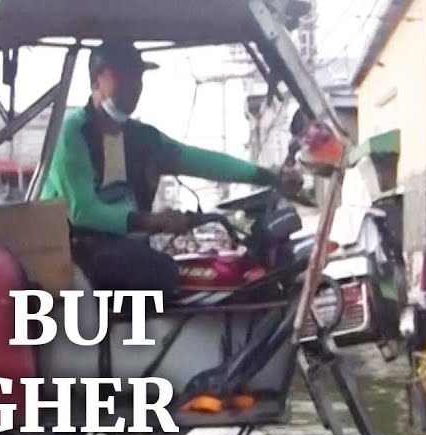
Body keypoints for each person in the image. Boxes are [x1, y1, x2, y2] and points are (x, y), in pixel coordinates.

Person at [40, 41, 303, 297]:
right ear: (97, 80)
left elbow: (199, 160)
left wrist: (270, 176)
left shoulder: (143, 139)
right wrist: (154, 221)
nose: (135, 87)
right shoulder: (74, 134)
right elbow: (84, 212)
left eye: (139, 78)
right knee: (161, 272)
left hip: (126, 247)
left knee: (209, 269)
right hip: (77, 250)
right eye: (125, 76)